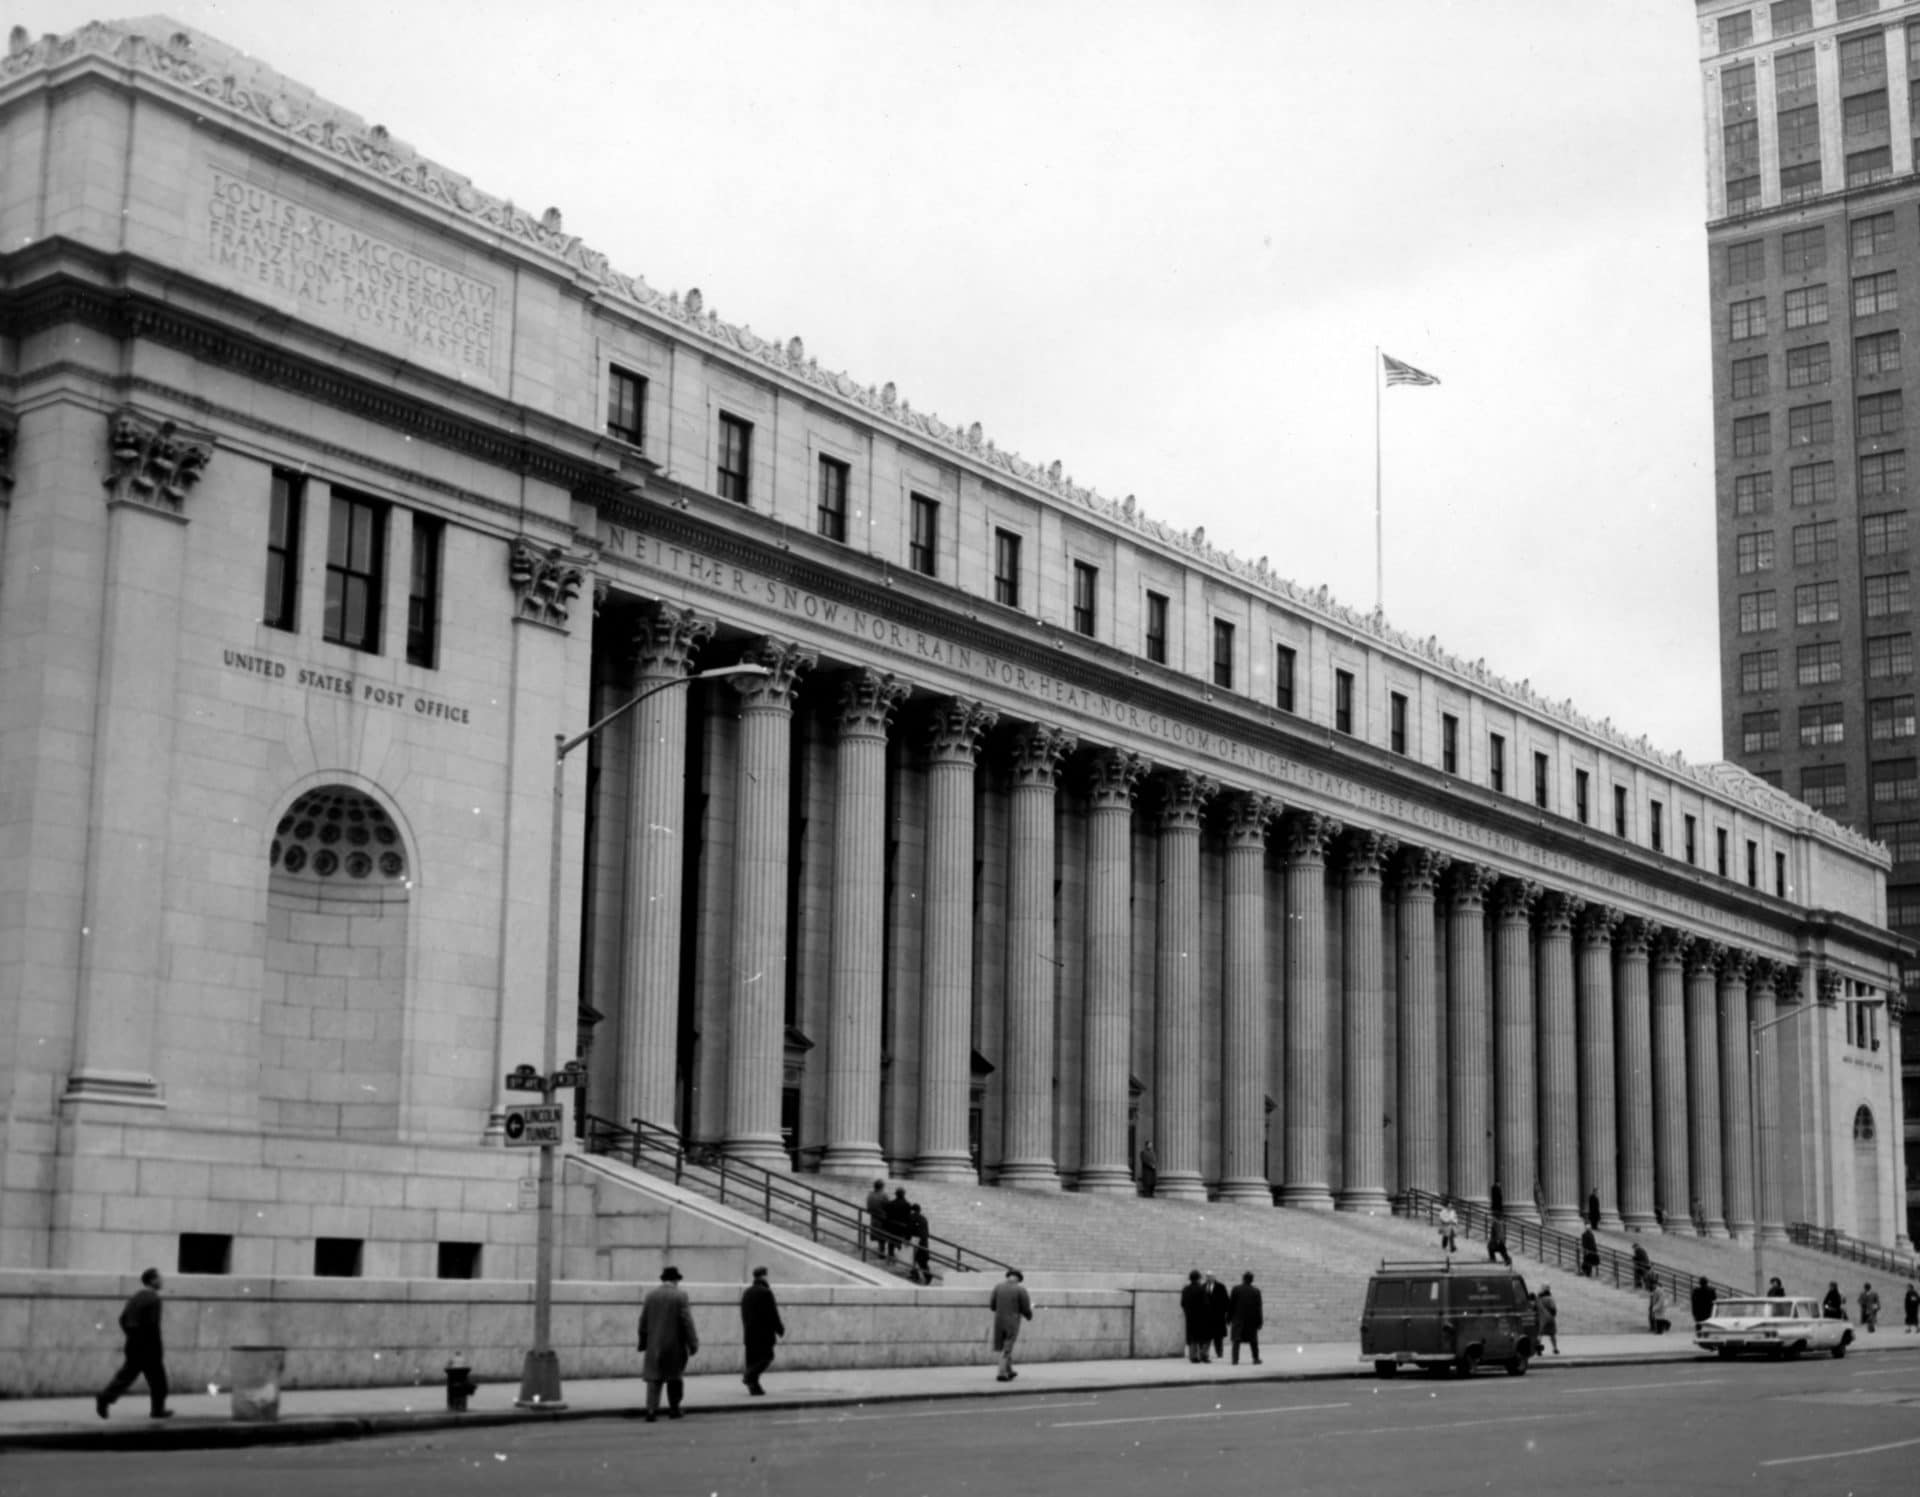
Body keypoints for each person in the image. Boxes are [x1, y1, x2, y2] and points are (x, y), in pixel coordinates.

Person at [95, 1267, 171, 1420]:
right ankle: (157, 1410)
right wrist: (156, 1348)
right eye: (159, 1278)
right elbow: (152, 1326)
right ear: (152, 1280)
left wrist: (132, 1336)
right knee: (159, 1381)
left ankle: (105, 1398)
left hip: (134, 1345)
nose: (162, 1280)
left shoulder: (136, 1297)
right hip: (148, 1347)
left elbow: (122, 1319)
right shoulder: (153, 1299)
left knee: (126, 1376)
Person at [637, 1265, 699, 1421]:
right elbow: (687, 1322)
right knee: (675, 1378)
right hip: (674, 1345)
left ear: (663, 1279)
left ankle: (651, 1411)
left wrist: (643, 1342)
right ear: (676, 1280)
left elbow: (643, 1322)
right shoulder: (680, 1296)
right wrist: (693, 1343)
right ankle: (674, 1409)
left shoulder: (651, 1296)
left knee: (654, 1379)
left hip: (654, 1345)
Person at [738, 1266, 785, 1395]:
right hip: (763, 1334)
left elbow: (743, 1313)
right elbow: (772, 1314)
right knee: (767, 1357)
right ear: (764, 1276)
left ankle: (755, 1388)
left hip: (749, 1333)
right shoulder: (766, 1292)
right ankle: (749, 1376)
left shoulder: (747, 1292)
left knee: (753, 1360)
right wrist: (780, 1329)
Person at [989, 1268, 1031, 1381]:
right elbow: (1025, 1308)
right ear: (1018, 1278)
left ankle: (1010, 1370)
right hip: (1012, 1322)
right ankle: (1001, 1373)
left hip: (999, 1321)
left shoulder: (998, 1287)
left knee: (1004, 1346)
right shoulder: (1020, 1289)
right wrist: (1029, 1316)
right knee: (1007, 1347)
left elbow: (992, 1306)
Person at [1228, 1271, 1263, 1366]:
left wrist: (1228, 1318)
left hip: (1238, 1319)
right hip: (1251, 1321)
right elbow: (1258, 1308)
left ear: (1243, 1278)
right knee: (1253, 1341)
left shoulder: (1236, 1289)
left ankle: (1235, 1360)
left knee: (1236, 1340)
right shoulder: (1256, 1291)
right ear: (1252, 1280)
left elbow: (1231, 1306)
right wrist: (1260, 1322)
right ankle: (1255, 1359)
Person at [1180, 1269, 1211, 1363]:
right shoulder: (1201, 1289)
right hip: (1201, 1317)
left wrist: (1187, 1312)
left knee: (1193, 1338)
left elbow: (1182, 1303)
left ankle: (1193, 1356)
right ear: (1198, 1279)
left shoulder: (1186, 1289)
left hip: (1190, 1317)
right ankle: (1203, 1355)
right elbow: (1206, 1304)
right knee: (1206, 1337)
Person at [1205, 1272, 1231, 1360]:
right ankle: (1205, 1353)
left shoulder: (1221, 1287)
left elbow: (1226, 1301)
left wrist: (1225, 1313)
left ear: (1214, 1277)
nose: (1208, 1278)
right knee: (1207, 1337)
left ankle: (1219, 1352)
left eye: (1210, 1277)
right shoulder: (1203, 1287)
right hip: (1207, 1317)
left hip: (1218, 1317)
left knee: (1218, 1337)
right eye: (1207, 1277)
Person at [886, 1187, 914, 1264]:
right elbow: (909, 1218)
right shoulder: (907, 1205)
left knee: (891, 1243)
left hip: (892, 1227)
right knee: (900, 1244)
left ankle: (890, 1259)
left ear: (896, 1194)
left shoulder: (891, 1204)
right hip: (902, 1228)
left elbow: (888, 1216)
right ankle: (899, 1261)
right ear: (904, 1195)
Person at [866, 1179, 891, 1258]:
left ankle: (881, 1251)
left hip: (873, 1218)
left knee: (879, 1236)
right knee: (883, 1237)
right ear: (882, 1186)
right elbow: (888, 1206)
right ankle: (882, 1253)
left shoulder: (870, 1195)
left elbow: (868, 1207)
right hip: (882, 1218)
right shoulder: (884, 1195)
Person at [909, 1202, 932, 1286]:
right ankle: (923, 1275)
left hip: (916, 1241)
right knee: (922, 1260)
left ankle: (922, 1275)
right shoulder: (924, 1218)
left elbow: (910, 1229)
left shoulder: (912, 1218)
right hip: (924, 1241)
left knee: (915, 1259)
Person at [1537, 1284, 1560, 1353]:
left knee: (1540, 1334)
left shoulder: (1539, 1299)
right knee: (1552, 1334)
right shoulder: (1550, 1299)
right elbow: (1553, 1309)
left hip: (1541, 1319)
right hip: (1550, 1319)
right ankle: (1555, 1348)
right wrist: (1552, 1315)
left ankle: (1538, 1349)